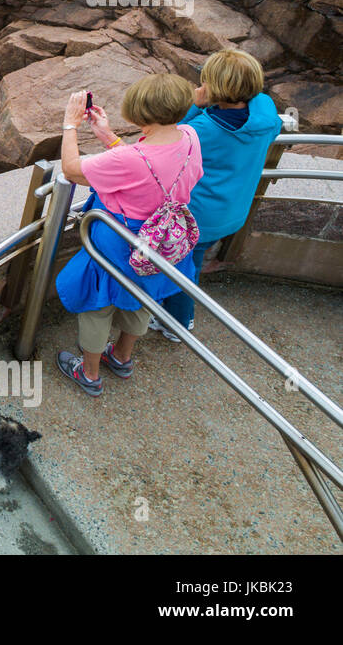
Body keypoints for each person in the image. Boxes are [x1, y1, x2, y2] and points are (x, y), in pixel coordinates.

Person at [55, 76, 204, 397]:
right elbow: (152, 167)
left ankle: (89, 372)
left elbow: (70, 169)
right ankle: (122, 356)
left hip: (120, 245)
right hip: (163, 243)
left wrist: (70, 125)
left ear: (140, 114)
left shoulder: (128, 160)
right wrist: (108, 136)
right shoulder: (190, 136)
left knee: (98, 306)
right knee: (143, 298)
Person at [152, 50, 282, 341]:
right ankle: (173, 313)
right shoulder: (265, 111)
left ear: (215, 89)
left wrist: (194, 105)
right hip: (233, 211)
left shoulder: (202, 129)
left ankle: (177, 323)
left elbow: (163, 139)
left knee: (183, 269)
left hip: (198, 218)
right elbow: (263, 121)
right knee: (189, 262)